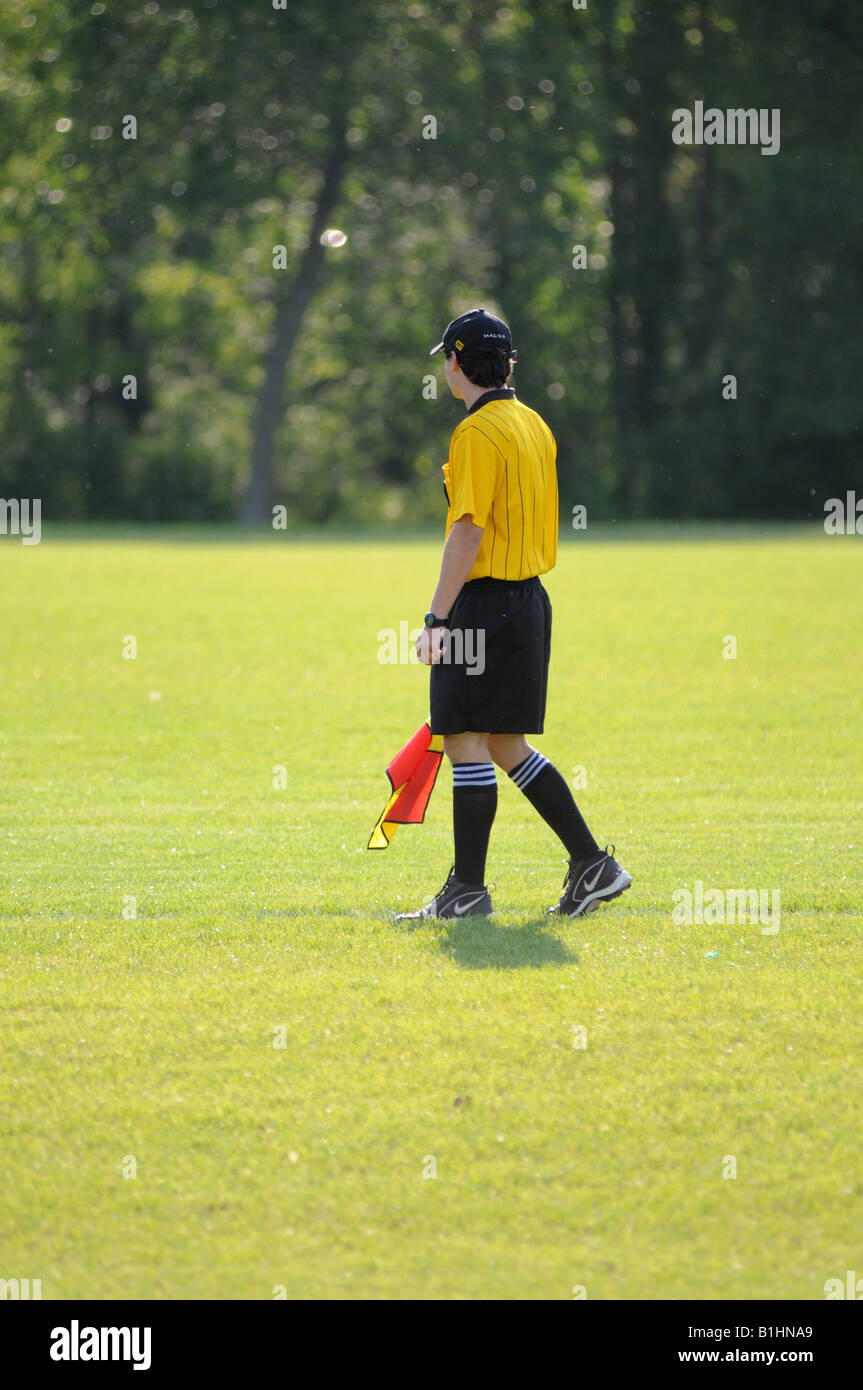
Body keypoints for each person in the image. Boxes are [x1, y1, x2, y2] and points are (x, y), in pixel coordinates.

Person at [396, 308, 632, 921]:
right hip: (529, 601)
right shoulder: (533, 423)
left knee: (466, 743)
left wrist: (437, 619)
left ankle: (467, 893)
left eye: (445, 358)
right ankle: (592, 864)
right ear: (508, 364)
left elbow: (468, 530)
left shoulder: (474, 433)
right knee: (505, 743)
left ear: (455, 361)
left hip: (482, 603)